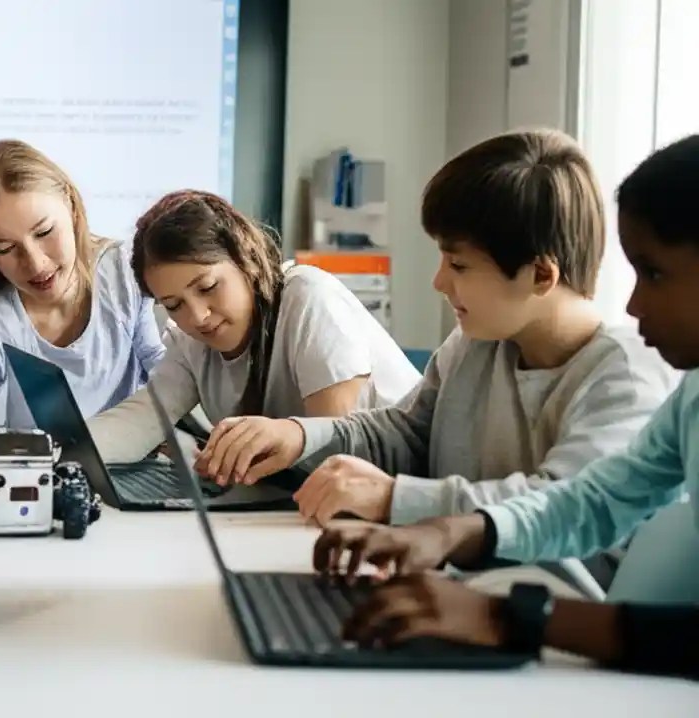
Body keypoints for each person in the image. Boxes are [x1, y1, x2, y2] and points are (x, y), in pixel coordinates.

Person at [309, 134, 699, 680]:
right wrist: (450, 531)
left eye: (654, 274)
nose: (633, 304)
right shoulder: (692, 395)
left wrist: (511, 617)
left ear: (542, 274)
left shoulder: (631, 374)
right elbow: (593, 499)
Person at [193, 129, 677, 525]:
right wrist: (299, 437)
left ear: (541, 275)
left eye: (459, 266)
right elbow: (407, 435)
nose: (439, 281)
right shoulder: (477, 342)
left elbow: (561, 507)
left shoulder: (625, 374)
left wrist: (395, 500)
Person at [87, 190, 421, 464]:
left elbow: (334, 452)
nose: (198, 316)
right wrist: (57, 455)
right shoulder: (187, 343)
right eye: (174, 305)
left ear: (244, 258)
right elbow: (142, 418)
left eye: (207, 288)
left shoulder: (307, 298)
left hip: (399, 494)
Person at [0, 139, 165, 430]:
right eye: (5, 248)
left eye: (44, 232)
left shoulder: (125, 269)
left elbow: (160, 368)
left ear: (71, 205)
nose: (35, 263)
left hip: (131, 463)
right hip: (31, 475)